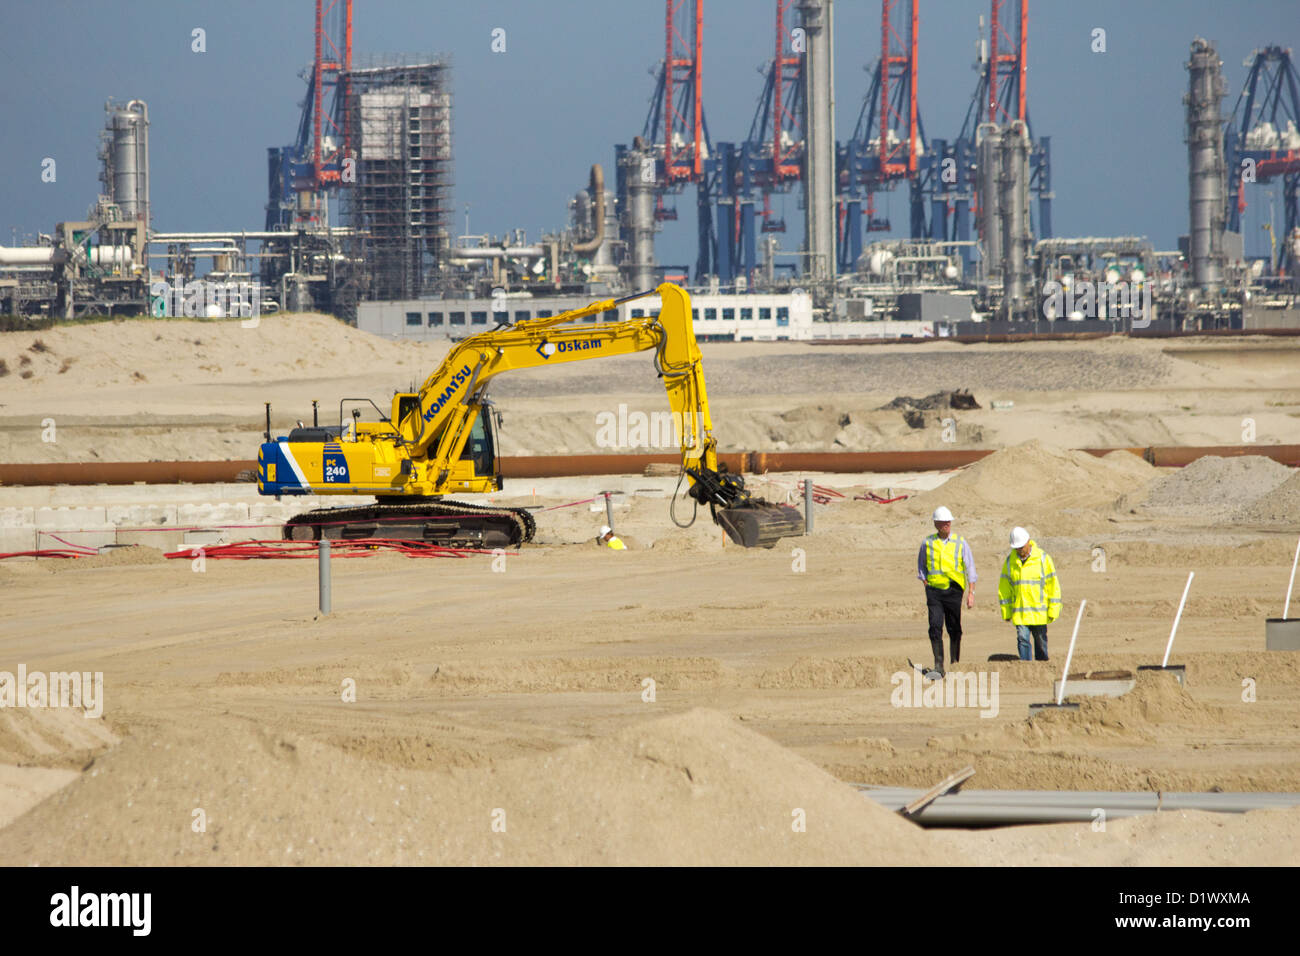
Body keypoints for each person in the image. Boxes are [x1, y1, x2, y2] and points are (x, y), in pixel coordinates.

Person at [916, 506, 977, 676]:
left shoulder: (960, 542)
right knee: (935, 626)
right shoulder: (927, 543)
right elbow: (921, 567)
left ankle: (954, 663)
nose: (946, 524)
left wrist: (971, 593)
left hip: (954, 591)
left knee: (954, 627)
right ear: (936, 523)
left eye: (948, 521)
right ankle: (938, 666)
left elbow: (970, 567)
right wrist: (927, 585)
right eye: (943, 522)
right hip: (934, 591)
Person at [997, 526, 1062, 660]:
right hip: (1020, 613)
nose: (1020, 550)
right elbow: (1004, 589)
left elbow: (1053, 586)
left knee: (1041, 642)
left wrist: (1053, 610)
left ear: (1028, 542)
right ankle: (1026, 668)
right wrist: (1006, 612)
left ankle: (1042, 668)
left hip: (1039, 613)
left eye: (1022, 547)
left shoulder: (1043, 559)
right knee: (1022, 639)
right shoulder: (1010, 562)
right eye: (1017, 548)